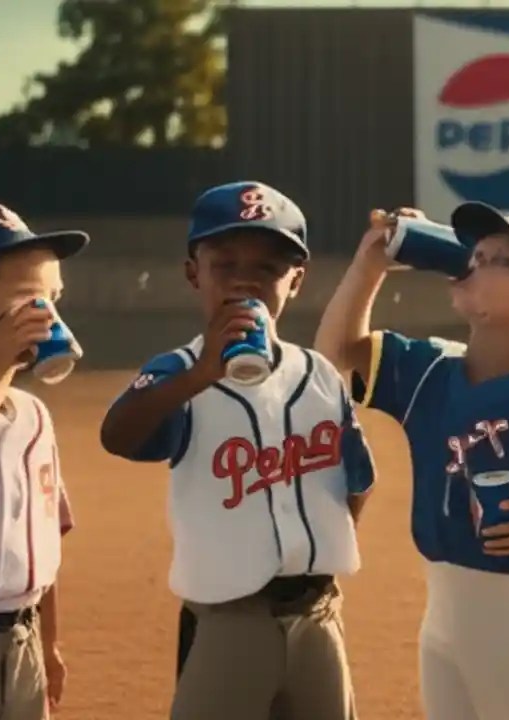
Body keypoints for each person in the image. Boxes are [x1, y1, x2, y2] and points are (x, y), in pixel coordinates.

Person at [99, 182, 374, 720]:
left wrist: (314, 554)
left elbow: (359, 479)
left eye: (269, 267)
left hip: (317, 613)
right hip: (230, 618)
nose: (246, 278)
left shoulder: (319, 374)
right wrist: (203, 373)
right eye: (225, 263)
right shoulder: (176, 371)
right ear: (192, 273)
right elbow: (119, 435)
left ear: (296, 281)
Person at [315, 204, 509, 720]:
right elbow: (335, 349)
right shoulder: (430, 370)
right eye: (480, 254)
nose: (478, 263)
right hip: (444, 609)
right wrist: (369, 265)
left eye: (503, 263)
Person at [0, 203, 86, 718]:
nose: (48, 315)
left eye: (54, 298)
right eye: (30, 299)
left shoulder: (32, 417)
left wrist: (48, 643)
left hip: (22, 639)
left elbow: (44, 544)